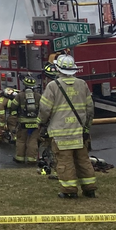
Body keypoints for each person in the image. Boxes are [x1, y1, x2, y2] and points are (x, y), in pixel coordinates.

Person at [37, 54, 97, 198]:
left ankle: (69, 191)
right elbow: (90, 108)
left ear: (58, 69)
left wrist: (42, 123)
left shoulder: (52, 86)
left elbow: (45, 109)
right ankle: (89, 189)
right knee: (83, 160)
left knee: (65, 162)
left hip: (60, 133)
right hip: (79, 132)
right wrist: (86, 127)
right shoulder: (82, 84)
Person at [8, 77, 42, 163]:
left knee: (21, 140)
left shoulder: (20, 95)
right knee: (33, 140)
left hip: (23, 122)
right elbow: (43, 108)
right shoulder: (38, 96)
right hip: (35, 122)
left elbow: (13, 106)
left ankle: (20, 158)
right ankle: (32, 159)